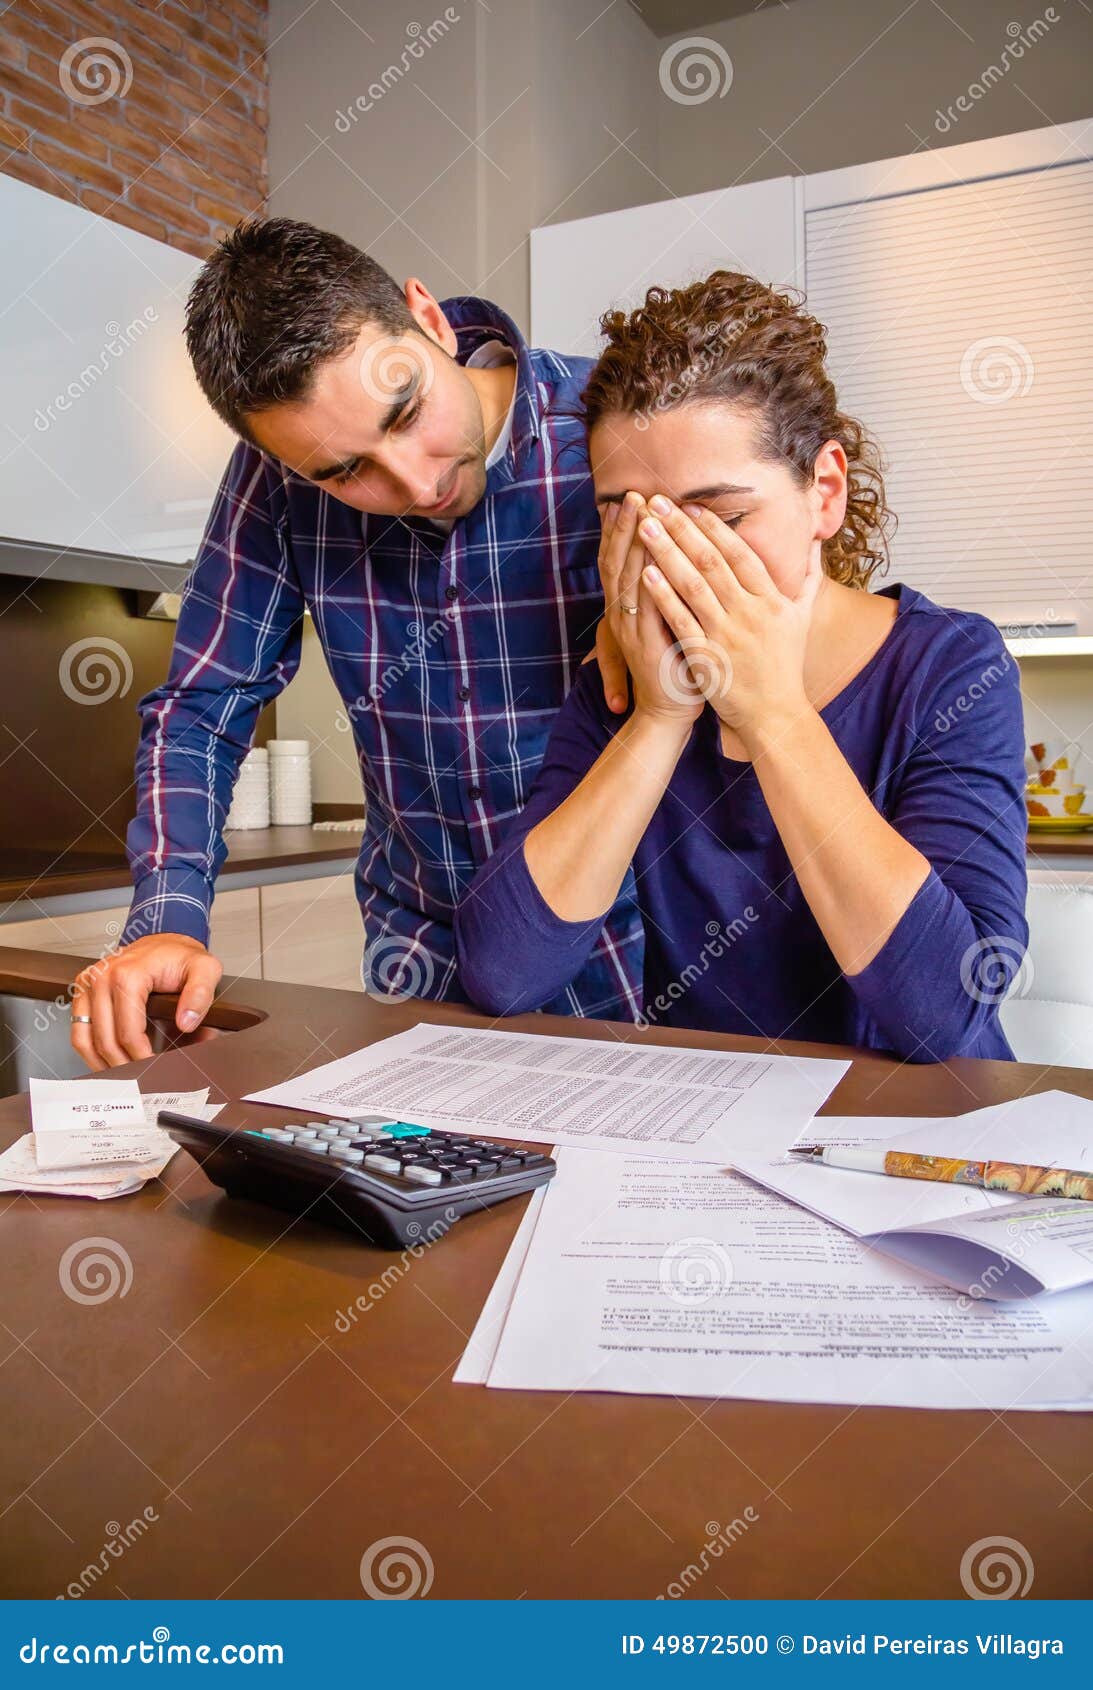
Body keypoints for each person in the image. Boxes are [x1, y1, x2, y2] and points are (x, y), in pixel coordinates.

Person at [69, 218, 641, 1070]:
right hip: (425, 958)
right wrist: (167, 921)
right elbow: (201, 705)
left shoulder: (615, 424)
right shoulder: (277, 483)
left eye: (406, 412)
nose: (415, 482)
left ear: (428, 319)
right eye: (345, 473)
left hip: (646, 952)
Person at [455, 271, 1029, 1061]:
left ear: (823, 492)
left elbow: (945, 1013)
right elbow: (504, 973)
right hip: (708, 1144)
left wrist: (771, 712)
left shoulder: (948, 666)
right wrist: (659, 720)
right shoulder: (625, 679)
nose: (669, 561)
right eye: (627, 520)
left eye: (720, 518)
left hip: (919, 1143)